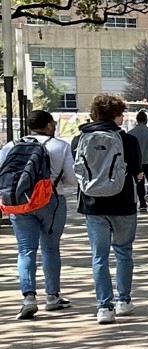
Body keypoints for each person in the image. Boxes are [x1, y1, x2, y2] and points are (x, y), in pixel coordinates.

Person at [72, 93, 143, 324]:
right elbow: (137, 172)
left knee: (99, 256)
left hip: (92, 205)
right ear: (115, 114)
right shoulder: (128, 140)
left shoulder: (78, 140)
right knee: (123, 252)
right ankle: (124, 301)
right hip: (123, 203)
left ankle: (104, 307)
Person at [2, 109, 75, 319]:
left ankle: (29, 298)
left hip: (20, 202)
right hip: (51, 200)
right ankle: (52, 297)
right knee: (51, 249)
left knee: (25, 249)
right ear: (49, 125)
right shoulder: (60, 146)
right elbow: (71, 180)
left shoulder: (10, 146)